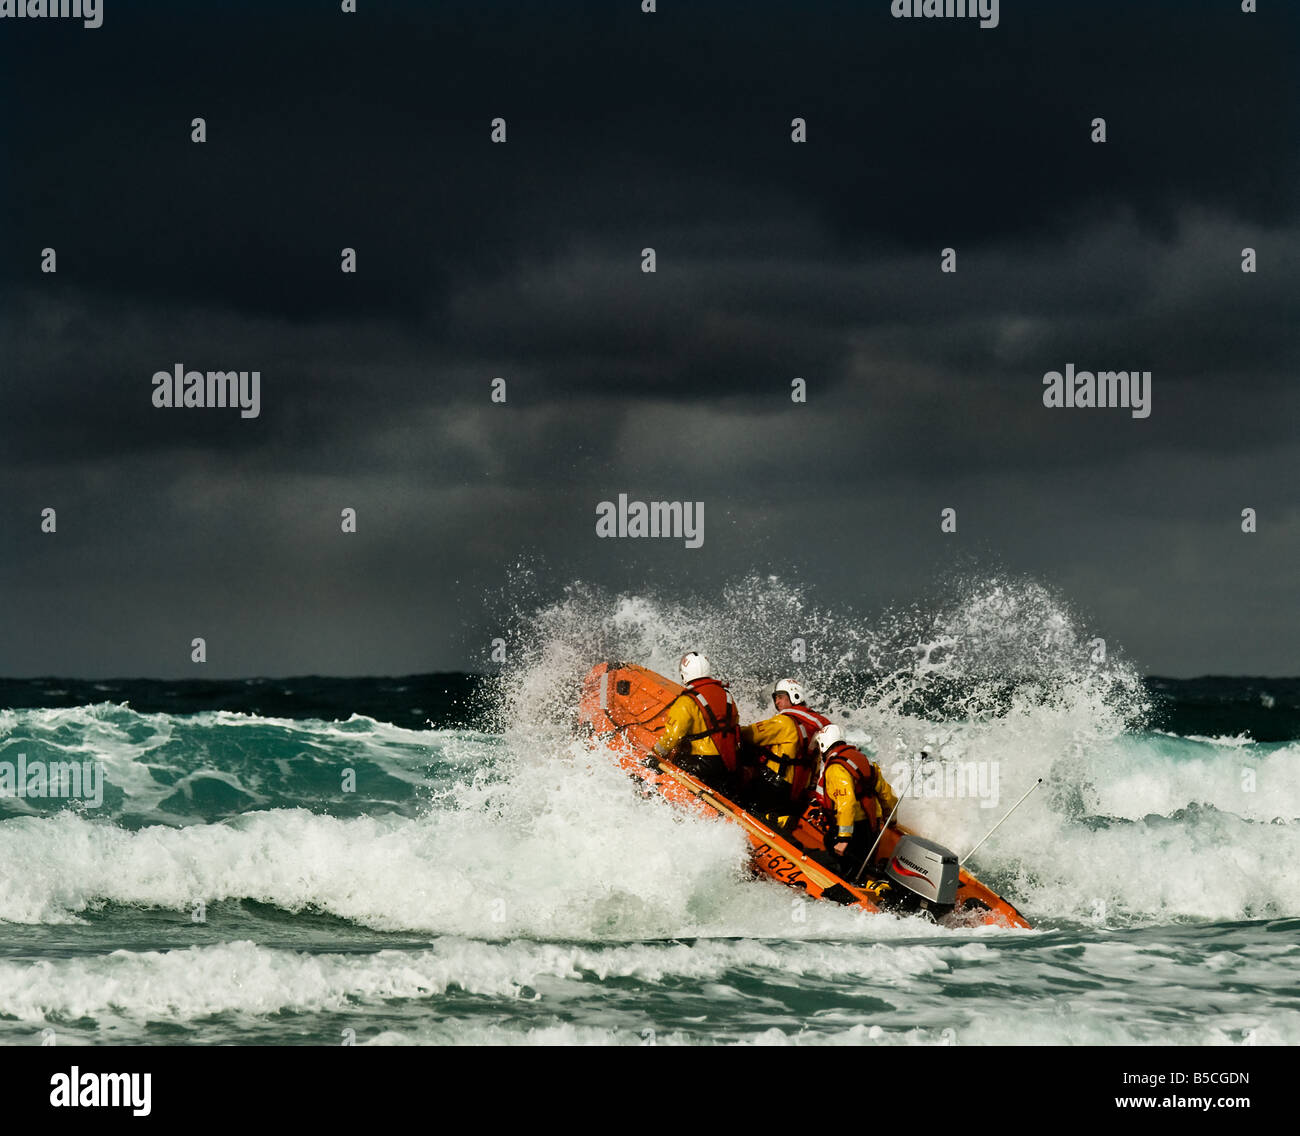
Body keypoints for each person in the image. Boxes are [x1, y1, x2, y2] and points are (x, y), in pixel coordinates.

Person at [808, 723, 899, 879]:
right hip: (871, 827)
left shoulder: (836, 768)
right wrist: (892, 819)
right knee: (859, 864)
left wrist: (843, 838)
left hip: (852, 830)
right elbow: (887, 795)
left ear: (824, 744)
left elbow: (846, 803)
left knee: (831, 844)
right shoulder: (864, 761)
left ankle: (844, 884)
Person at [738, 678, 831, 821]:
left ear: (795, 696)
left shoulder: (783, 722)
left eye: (780, 697)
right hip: (798, 793)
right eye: (776, 698)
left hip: (774, 788)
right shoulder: (817, 726)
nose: (776, 702)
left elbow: (747, 735)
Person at [652, 652, 742, 792]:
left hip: (701, 765)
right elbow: (735, 723)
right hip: (728, 764)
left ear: (684, 674)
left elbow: (672, 738)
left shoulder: (686, 700)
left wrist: (655, 754)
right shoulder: (727, 695)